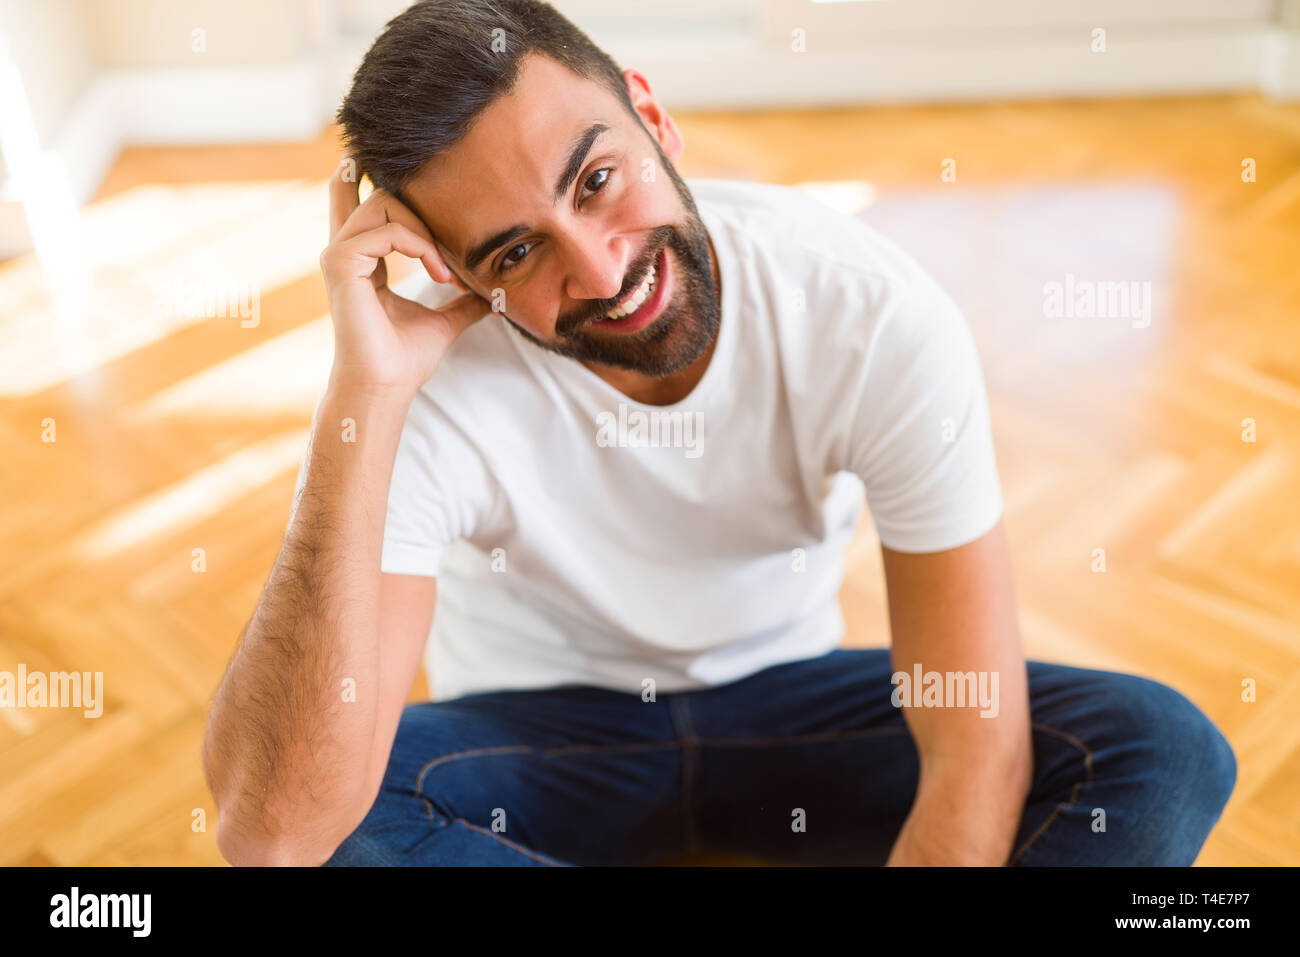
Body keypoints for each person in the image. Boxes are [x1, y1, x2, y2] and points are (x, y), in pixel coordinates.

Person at [201, 0, 1236, 866]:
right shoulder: (420, 388)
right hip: (545, 748)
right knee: (339, 825)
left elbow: (970, 737)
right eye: (517, 252)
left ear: (649, 116)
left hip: (790, 713)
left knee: (1160, 750)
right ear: (456, 275)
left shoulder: (866, 310)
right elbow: (270, 834)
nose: (602, 273)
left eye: (597, 180)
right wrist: (362, 398)